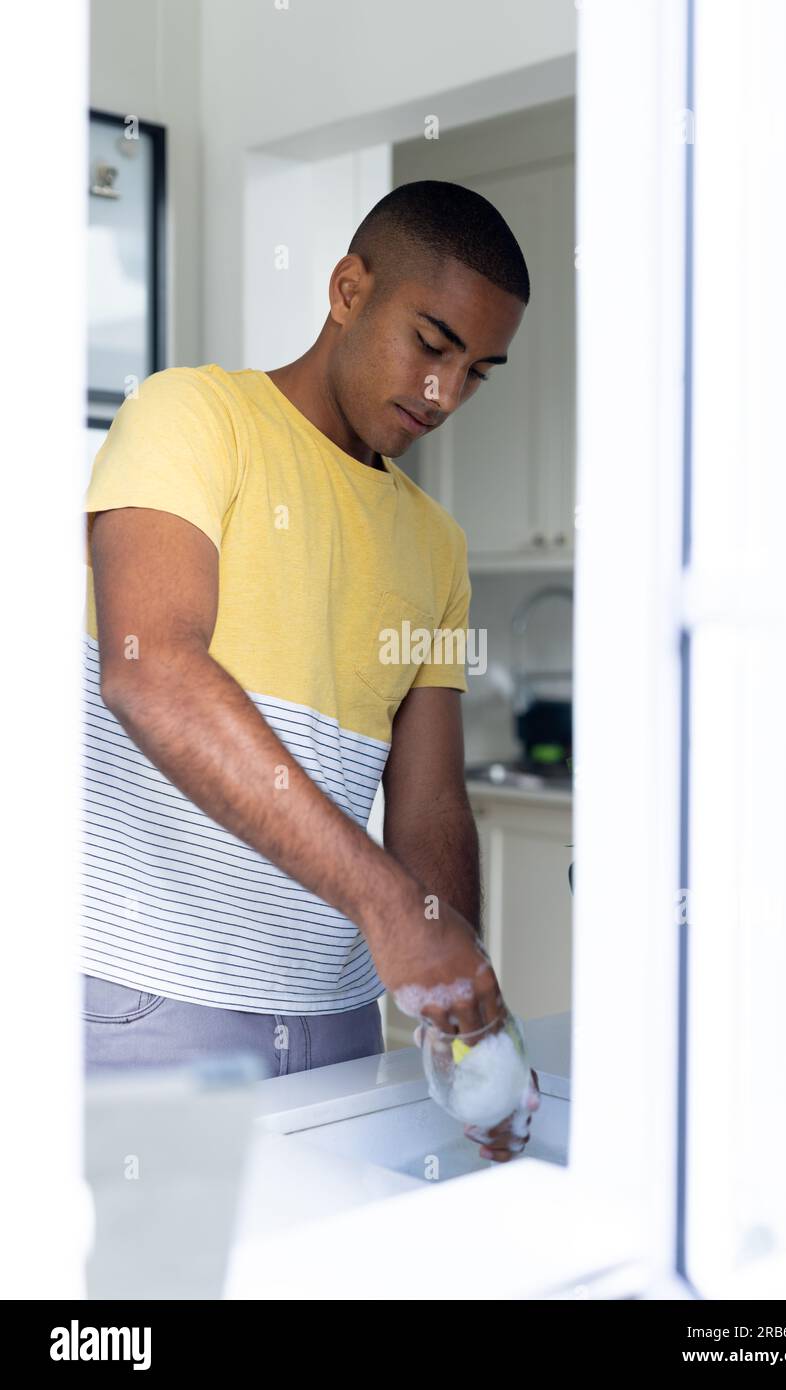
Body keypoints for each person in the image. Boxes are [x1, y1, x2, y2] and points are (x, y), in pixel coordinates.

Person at [82, 179, 540, 1161]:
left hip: (337, 1029)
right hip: (148, 1004)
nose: (444, 394)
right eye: (431, 343)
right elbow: (149, 669)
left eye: (478, 372)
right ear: (346, 288)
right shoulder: (189, 416)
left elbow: (428, 810)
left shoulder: (438, 549)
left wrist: (461, 1004)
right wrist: (389, 908)